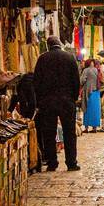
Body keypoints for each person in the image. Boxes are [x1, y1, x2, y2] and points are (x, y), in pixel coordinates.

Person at [33, 37, 81, 171]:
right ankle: (71, 162)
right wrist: (74, 98)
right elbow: (76, 80)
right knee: (69, 132)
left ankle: (52, 162)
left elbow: (36, 82)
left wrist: (40, 101)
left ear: (48, 46)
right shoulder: (70, 58)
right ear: (59, 44)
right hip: (67, 101)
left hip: (48, 102)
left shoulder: (43, 59)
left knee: (49, 133)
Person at [80, 58, 102, 132]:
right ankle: (94, 127)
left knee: (87, 109)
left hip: (88, 92)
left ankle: (86, 128)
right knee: (95, 110)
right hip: (96, 92)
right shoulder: (97, 70)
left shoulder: (86, 70)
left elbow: (82, 80)